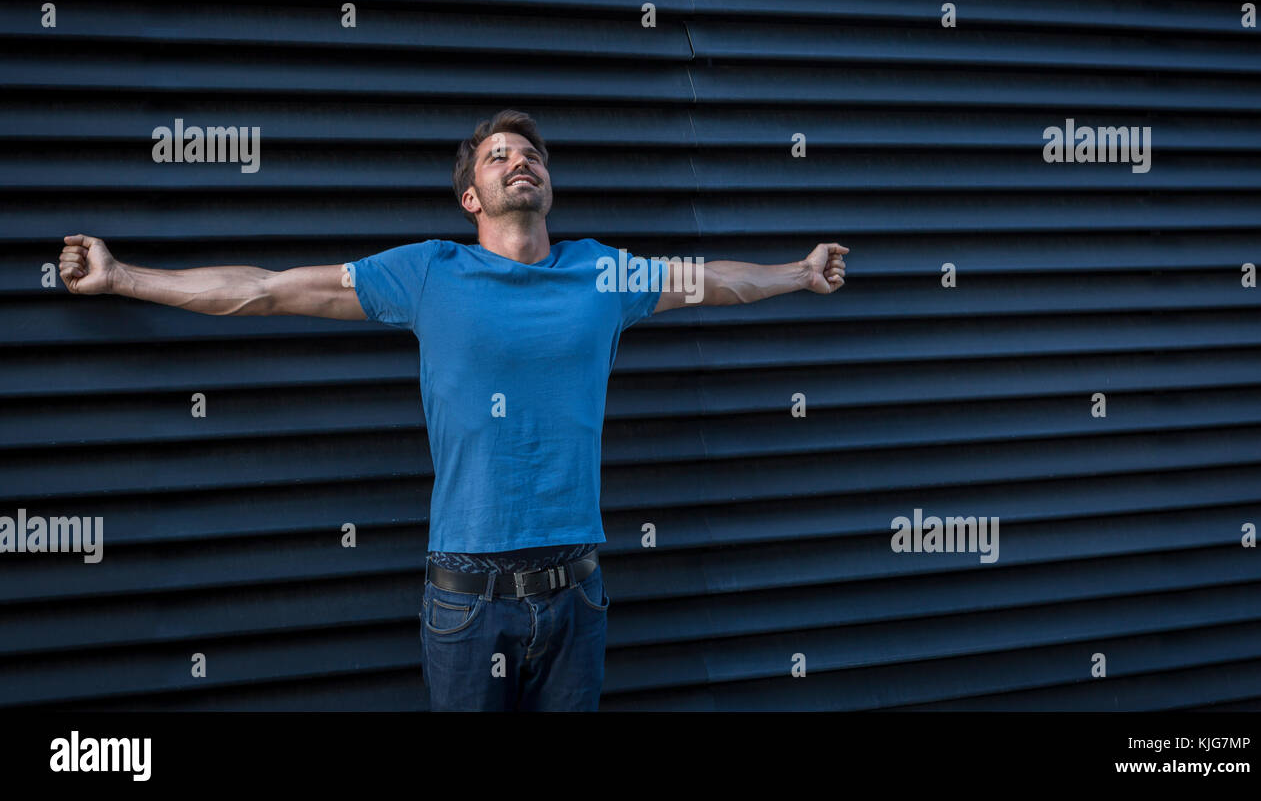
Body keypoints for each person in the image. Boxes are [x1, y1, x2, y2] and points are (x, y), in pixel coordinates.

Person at [57, 108, 849, 711]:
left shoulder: (603, 273)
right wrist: (123, 276)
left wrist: (799, 273)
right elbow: (264, 289)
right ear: (472, 194)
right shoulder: (429, 272)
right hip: (467, 601)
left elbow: (714, 279)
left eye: (531, 153)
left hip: (578, 591)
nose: (520, 161)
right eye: (498, 155)